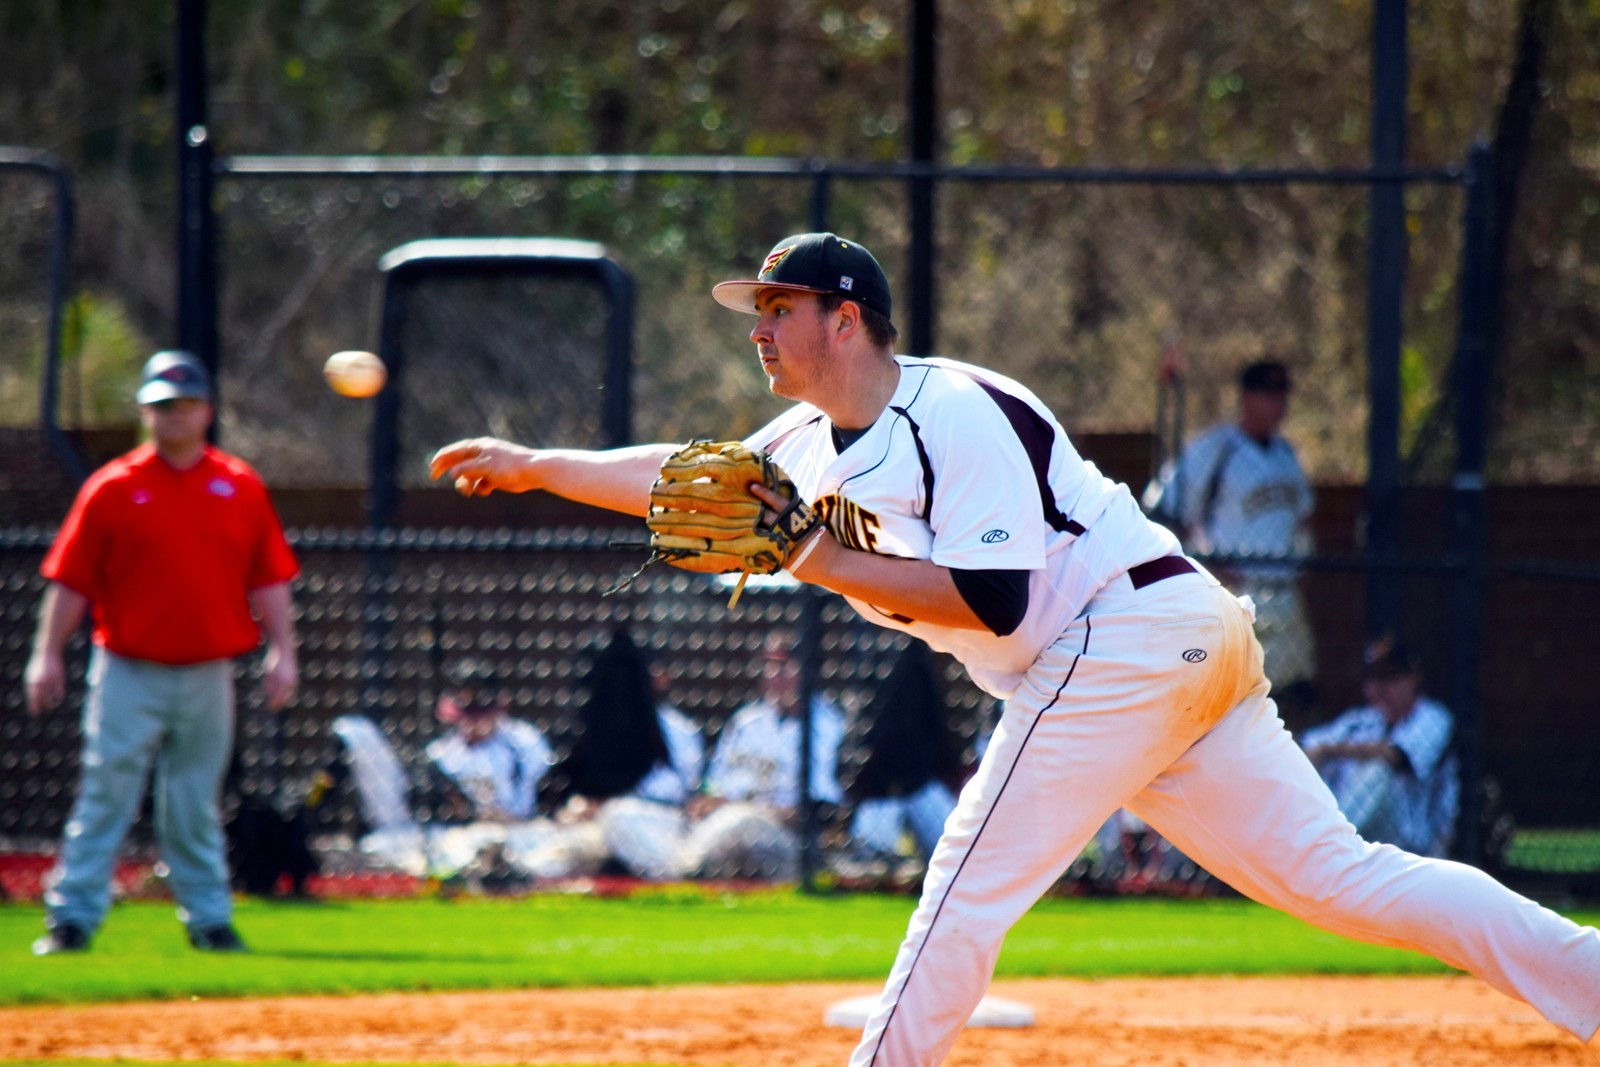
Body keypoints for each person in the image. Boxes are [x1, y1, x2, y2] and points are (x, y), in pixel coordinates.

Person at [429, 232, 1600, 1060]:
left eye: (779, 308)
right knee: (1344, 878)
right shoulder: (808, 440)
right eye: (758, 311)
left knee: (962, 879)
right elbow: (687, 473)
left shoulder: (952, 409)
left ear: (845, 318)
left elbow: (992, 601)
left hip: (1124, 635)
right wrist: (537, 464)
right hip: (1153, 650)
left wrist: (814, 554)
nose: (760, 329)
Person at [23, 349, 300, 955]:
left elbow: (270, 578)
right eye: (162, 404)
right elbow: (70, 580)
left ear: (207, 410)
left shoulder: (239, 485)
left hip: (208, 672)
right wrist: (47, 653)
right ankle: (71, 919)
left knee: (195, 805)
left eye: (185, 403)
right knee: (106, 794)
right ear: (145, 412)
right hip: (129, 668)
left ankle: (209, 919)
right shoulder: (113, 486)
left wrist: (284, 651)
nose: (174, 414)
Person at [1144, 358, 1317, 730]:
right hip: (1237, 591)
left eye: (1281, 394)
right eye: (1267, 394)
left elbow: (1303, 518)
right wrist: (1206, 565)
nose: (1276, 403)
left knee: (1291, 693)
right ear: (1246, 397)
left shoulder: (1286, 454)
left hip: (1283, 592)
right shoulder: (1217, 449)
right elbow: (1163, 511)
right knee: (1234, 696)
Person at [600, 630, 846, 881]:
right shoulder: (746, 722)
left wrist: (749, 807)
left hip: (780, 836)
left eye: (783, 665)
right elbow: (712, 783)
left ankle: (679, 874)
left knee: (741, 818)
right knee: (621, 813)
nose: (773, 675)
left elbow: (822, 811)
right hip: (714, 828)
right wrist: (705, 802)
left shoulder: (828, 725)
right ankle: (680, 874)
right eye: (768, 665)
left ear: (808, 669)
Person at [1300, 636, 1459, 858]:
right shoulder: (1361, 720)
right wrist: (1315, 753)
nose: (1379, 687)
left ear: (1413, 678)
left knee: (1376, 769)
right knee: (1306, 765)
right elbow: (1308, 745)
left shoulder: (1432, 717)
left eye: (1389, 677)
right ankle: (1321, 841)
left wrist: (1329, 750)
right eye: (1372, 678)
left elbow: (1396, 755)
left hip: (1412, 844)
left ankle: (1328, 845)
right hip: (1362, 839)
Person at [839, 642, 960, 868]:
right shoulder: (875, 661)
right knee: (869, 861)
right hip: (880, 791)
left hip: (921, 783)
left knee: (957, 852)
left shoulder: (920, 662)